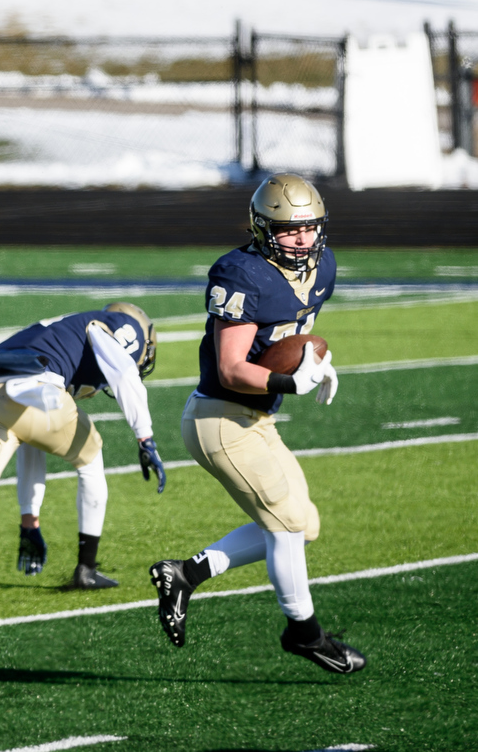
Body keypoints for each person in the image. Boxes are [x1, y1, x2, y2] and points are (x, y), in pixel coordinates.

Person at [149, 174, 364, 674]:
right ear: (263, 228)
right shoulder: (241, 273)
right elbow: (231, 368)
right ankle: (305, 633)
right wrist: (290, 382)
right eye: (289, 230)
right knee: (285, 522)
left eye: (309, 228)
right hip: (220, 418)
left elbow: (292, 339)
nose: (302, 240)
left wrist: (316, 363)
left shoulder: (324, 266)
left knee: (304, 524)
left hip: (258, 418)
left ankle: (185, 575)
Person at [0, 302, 165, 589]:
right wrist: (145, 437)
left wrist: (29, 519)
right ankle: (86, 569)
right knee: (91, 455)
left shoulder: (54, 332)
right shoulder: (122, 324)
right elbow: (123, 371)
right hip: (36, 387)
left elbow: (31, 437)